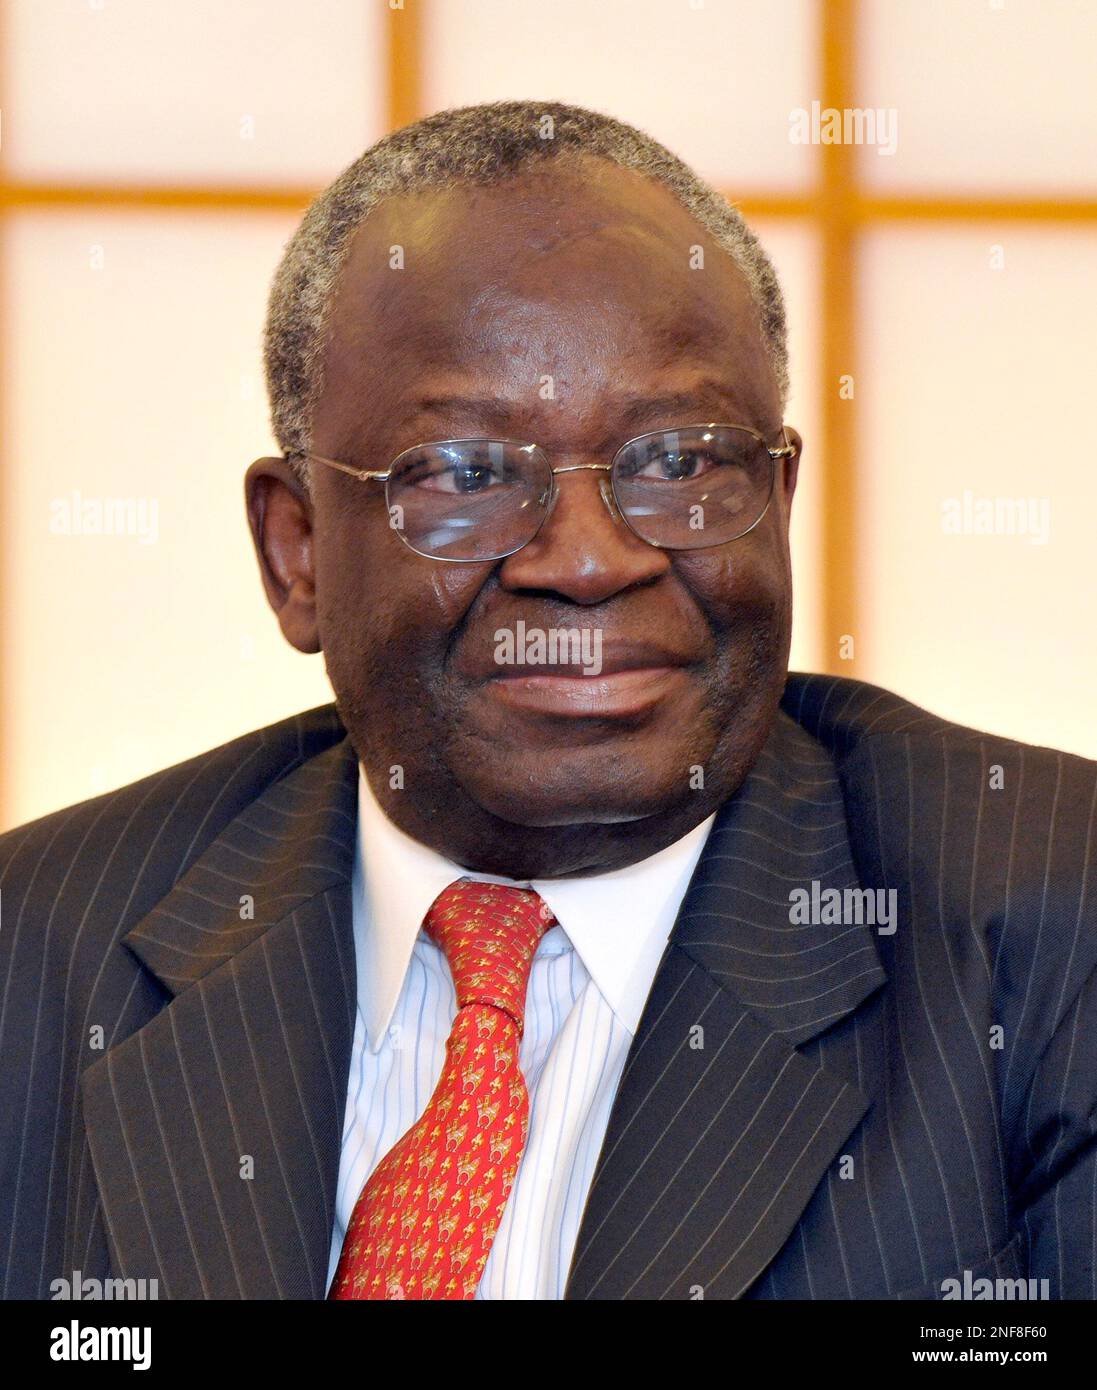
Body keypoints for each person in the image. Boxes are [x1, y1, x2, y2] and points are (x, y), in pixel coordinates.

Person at [2, 100, 1094, 1301]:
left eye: (680, 462)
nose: (586, 560)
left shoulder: (1046, 927)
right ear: (297, 551)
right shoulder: (37, 957)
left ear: (777, 500)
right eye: (466, 473)